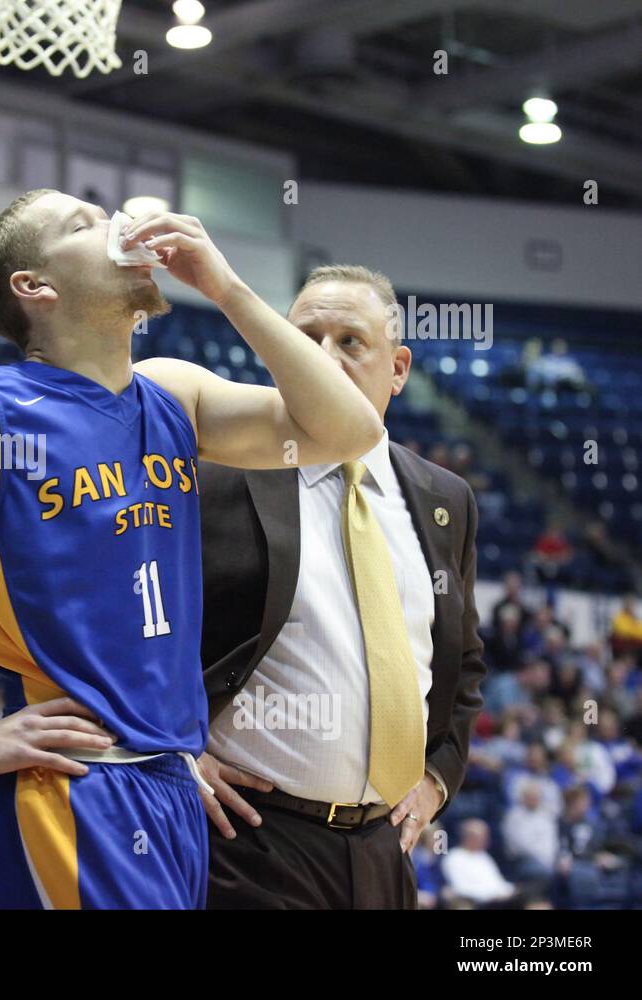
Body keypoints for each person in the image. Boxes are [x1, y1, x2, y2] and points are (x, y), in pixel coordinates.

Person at [0, 191, 382, 909]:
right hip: (75, 785)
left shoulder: (174, 395)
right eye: (84, 224)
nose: (119, 226)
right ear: (36, 288)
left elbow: (348, 431)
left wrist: (225, 287)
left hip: (173, 787)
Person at [196, 264, 486, 909]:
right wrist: (175, 752)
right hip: (247, 844)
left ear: (399, 368)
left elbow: (462, 664)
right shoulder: (214, 472)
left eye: (350, 341)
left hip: (384, 852)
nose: (322, 356)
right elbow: (137, 622)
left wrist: (437, 779)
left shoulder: (446, 499)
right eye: (304, 337)